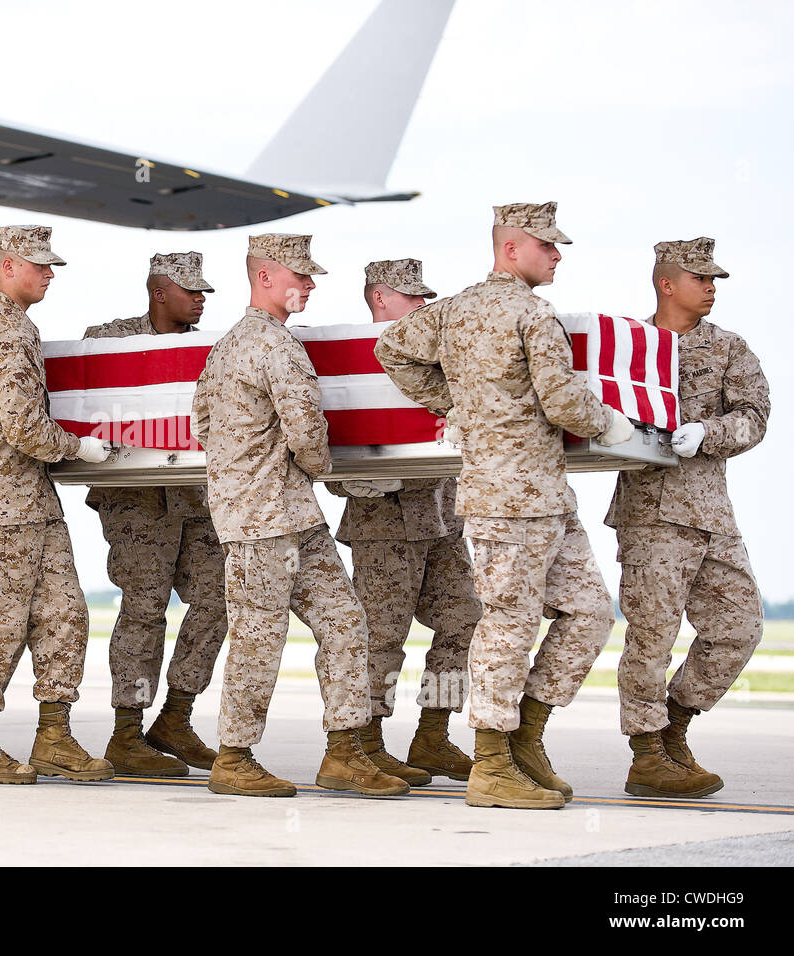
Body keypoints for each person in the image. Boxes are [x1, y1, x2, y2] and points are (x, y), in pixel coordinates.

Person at [375, 202, 633, 810]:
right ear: (511, 248)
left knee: (590, 610)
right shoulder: (531, 314)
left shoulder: (452, 311)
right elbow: (565, 403)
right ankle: (491, 763)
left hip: (544, 495)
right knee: (509, 622)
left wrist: (453, 401)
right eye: (547, 246)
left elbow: (391, 347)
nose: (558, 255)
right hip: (508, 496)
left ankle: (524, 736)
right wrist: (611, 424)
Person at [191, 233, 409, 799]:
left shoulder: (225, 348)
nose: (309, 285)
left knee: (343, 622)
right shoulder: (275, 346)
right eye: (300, 276)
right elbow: (307, 431)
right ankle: (234, 758)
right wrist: (332, 473)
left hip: (285, 516)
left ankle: (344, 750)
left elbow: (202, 427)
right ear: (265, 277)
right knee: (260, 638)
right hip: (266, 522)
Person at [0, 224, 113, 785]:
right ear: (7, 266)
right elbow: (24, 426)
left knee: (64, 613)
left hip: (28, 500)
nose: (49, 273)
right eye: (39, 264)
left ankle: (54, 734)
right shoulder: (5, 329)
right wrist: (81, 448)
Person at [607, 237, 768, 798]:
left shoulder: (729, 348)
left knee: (739, 626)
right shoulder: (626, 342)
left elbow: (754, 417)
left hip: (710, 511)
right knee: (652, 636)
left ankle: (673, 727)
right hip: (650, 513)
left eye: (715, 280)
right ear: (667, 283)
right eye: (701, 279)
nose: (712, 289)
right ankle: (647, 756)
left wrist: (710, 433)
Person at [327, 258, 482, 785]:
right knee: (381, 637)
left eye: (424, 297)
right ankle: (364, 741)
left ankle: (433, 734)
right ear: (379, 299)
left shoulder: (435, 356)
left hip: (440, 514)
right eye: (411, 298)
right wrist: (352, 481)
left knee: (465, 618)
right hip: (382, 523)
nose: (422, 306)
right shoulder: (350, 360)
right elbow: (329, 436)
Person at [83, 252, 227, 776]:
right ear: (158, 291)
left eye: (204, 291)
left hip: (195, 494)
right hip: (137, 497)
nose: (200, 299)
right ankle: (127, 731)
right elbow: (90, 391)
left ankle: (176, 716)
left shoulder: (213, 349)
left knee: (218, 598)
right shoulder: (111, 337)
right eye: (190, 290)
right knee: (145, 607)